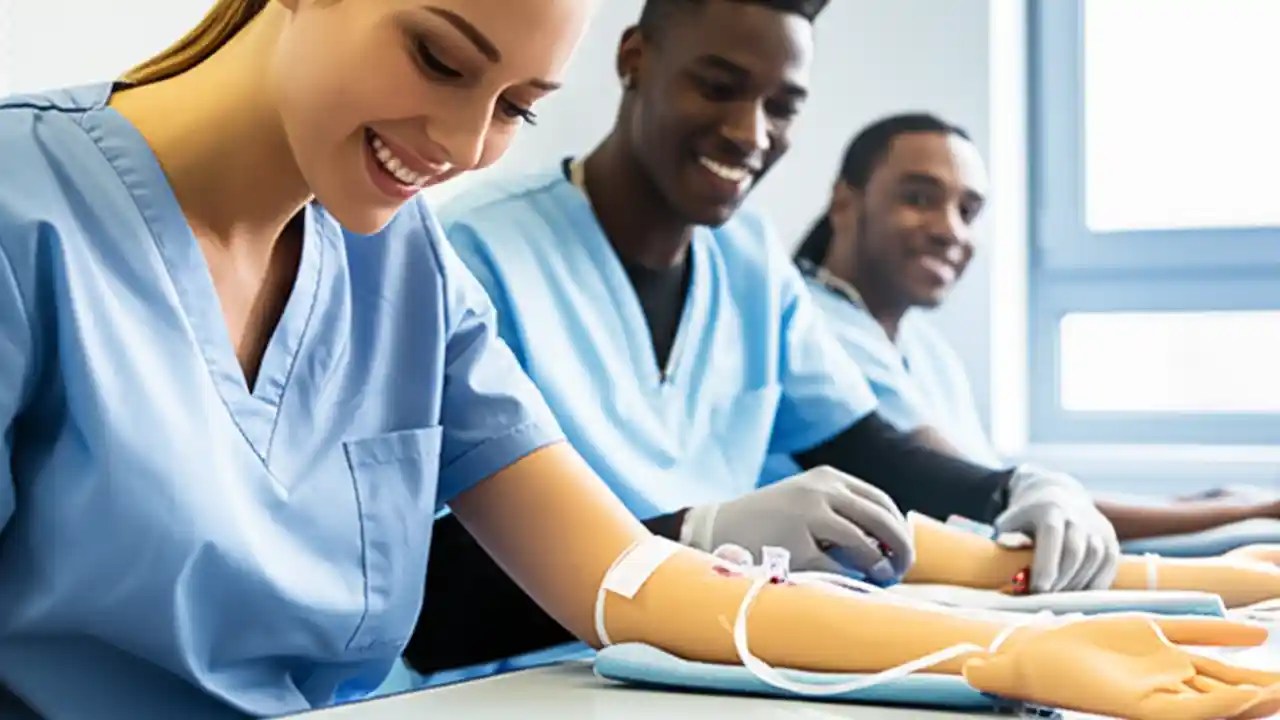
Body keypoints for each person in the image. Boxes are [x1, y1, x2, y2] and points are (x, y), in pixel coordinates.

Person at [4, 2, 1276, 719]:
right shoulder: (25, 215)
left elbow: (629, 578)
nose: (460, 142)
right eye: (438, 57)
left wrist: (1001, 657)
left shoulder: (401, 267)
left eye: (512, 108)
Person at [402, 0, 1122, 685]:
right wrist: (694, 534)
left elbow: (863, 446)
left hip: (707, 659)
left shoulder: (748, 260)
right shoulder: (477, 253)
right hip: (520, 685)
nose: (751, 132)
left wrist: (1017, 487)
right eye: (719, 87)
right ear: (635, 60)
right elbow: (427, 599)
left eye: (782, 107)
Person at [785, 112, 1280, 544]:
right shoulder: (810, 325)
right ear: (844, 201)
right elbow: (984, 501)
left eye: (968, 211)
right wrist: (1242, 513)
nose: (950, 229)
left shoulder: (927, 351)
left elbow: (1013, 492)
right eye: (919, 197)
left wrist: (1192, 502)